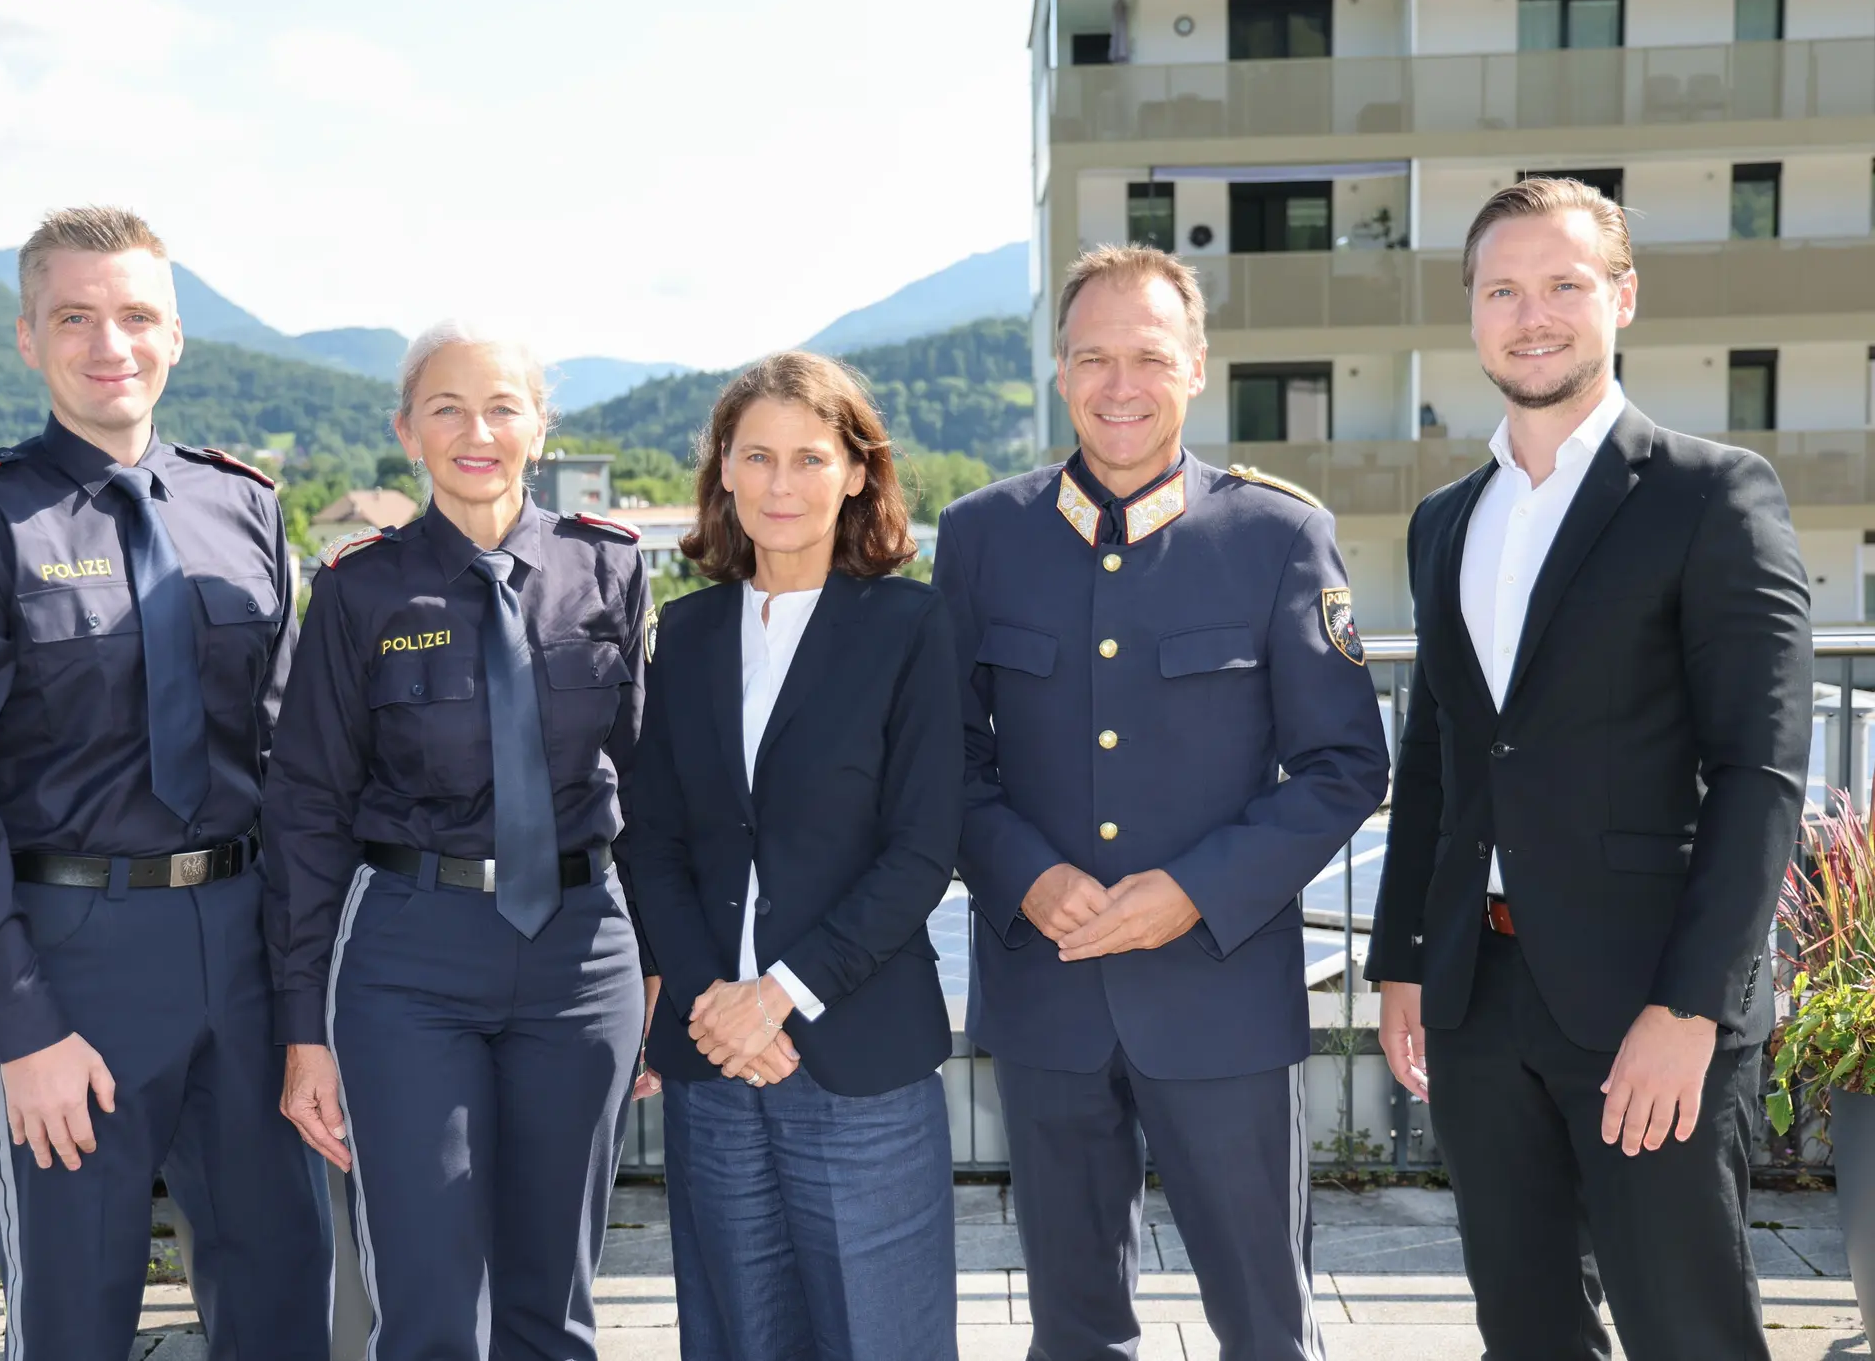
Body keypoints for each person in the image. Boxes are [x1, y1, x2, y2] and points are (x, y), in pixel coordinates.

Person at [1365, 177, 1812, 1361]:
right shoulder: (1444, 520)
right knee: (1524, 1329)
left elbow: (1760, 773)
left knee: (1686, 1329)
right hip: (1474, 997)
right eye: (1502, 289)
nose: (1531, 314)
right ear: (1470, 313)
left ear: (1620, 296)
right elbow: (1440, 755)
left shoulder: (1711, 494)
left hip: (1643, 999)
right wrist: (1404, 959)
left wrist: (1689, 1008)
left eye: (1562, 283)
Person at [0, 206, 331, 1358]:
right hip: (72, 954)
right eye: (73, 317)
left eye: (134, 316)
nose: (108, 343)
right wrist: (23, 1026)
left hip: (245, 946)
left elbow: (294, 771)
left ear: (176, 334)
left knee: (284, 1288)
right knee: (75, 1308)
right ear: (28, 337)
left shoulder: (245, 507)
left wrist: (306, 1002)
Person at [932, 244, 1389, 1361]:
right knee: (1072, 1329)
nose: (1118, 384)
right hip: (1047, 989)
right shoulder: (983, 534)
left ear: (1194, 368)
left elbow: (1342, 763)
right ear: (1057, 373)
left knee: (1262, 1327)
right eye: (1092, 357)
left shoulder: (1275, 535)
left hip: (1219, 996)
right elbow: (944, 757)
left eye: (1147, 356)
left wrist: (1191, 892)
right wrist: (1025, 877)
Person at [262, 320, 654, 1361]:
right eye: (445, 408)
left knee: (551, 1304)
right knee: (429, 1303)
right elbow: (305, 811)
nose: (474, 430)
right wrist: (305, 1027)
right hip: (410, 956)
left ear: (538, 424)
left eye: (500, 406)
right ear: (406, 430)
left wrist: (659, 968)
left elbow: (650, 787)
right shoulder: (357, 590)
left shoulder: (604, 570)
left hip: (581, 954)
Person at [632, 352, 963, 1361]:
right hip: (711, 1056)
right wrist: (711, 1003)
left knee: (882, 1340)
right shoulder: (680, 637)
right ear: (721, 472)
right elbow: (649, 844)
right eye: (758, 457)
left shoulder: (910, 625)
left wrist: (773, 995)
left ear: (857, 472)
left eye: (810, 458)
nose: (782, 485)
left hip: (855, 1046)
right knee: (735, 1335)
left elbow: (920, 852)